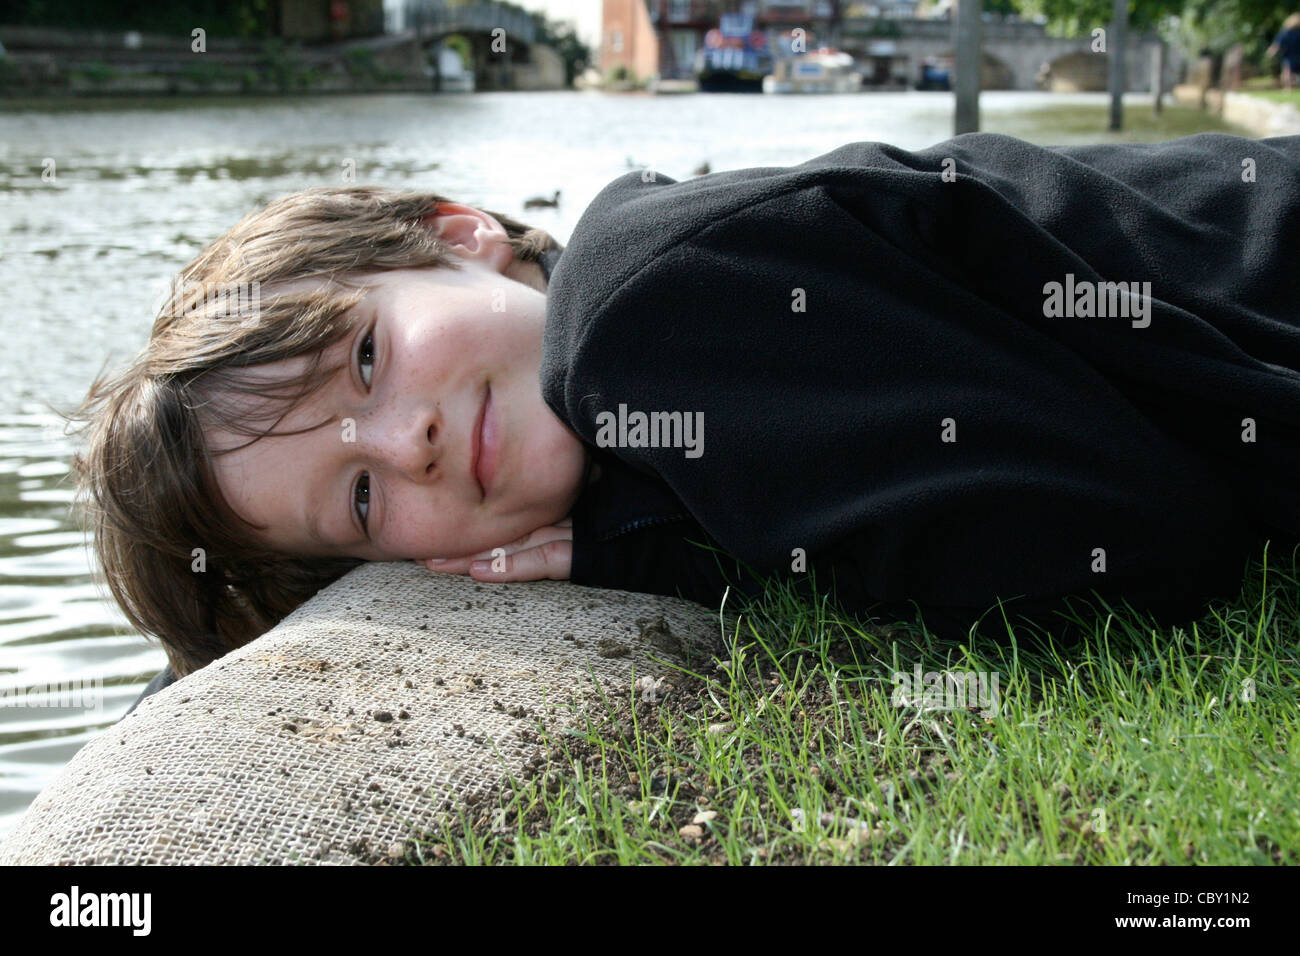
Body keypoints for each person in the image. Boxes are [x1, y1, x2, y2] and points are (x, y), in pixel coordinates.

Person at [76, 130, 1300, 720]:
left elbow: (1143, 550)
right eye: (358, 499)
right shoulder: (646, 327)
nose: (406, 446)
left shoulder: (633, 312)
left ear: (459, 234)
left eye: (363, 358)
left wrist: (654, 553)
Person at [1267, 13, 1300, 90]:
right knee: (1291, 73)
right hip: (1296, 56)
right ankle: (1294, 84)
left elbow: (1276, 45)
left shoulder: (1285, 32)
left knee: (1287, 73)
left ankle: (1288, 88)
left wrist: (1270, 53)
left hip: (1289, 57)